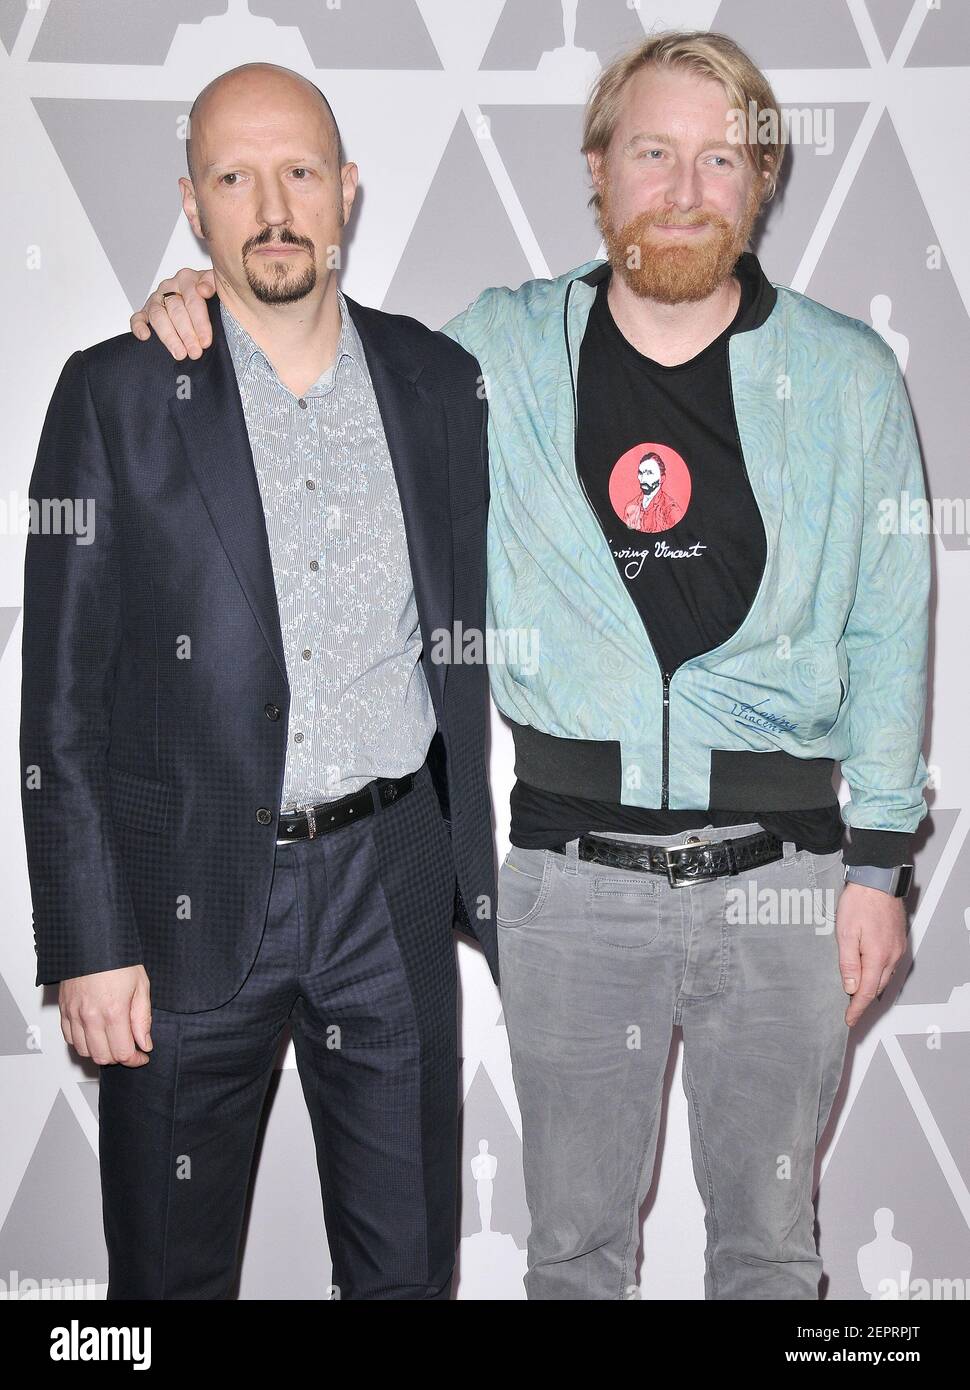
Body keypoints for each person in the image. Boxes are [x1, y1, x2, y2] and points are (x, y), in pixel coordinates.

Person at [130, 31, 930, 1301]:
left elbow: (893, 624)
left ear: (760, 181)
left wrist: (882, 863)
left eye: (719, 157)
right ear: (598, 172)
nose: (682, 187)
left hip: (787, 890)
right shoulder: (488, 353)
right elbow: (324, 360)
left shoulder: (846, 375)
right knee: (568, 1259)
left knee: (774, 1257)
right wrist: (204, 301)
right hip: (568, 886)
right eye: (652, 153)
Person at [20, 61, 495, 1301]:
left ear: (345, 193)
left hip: (390, 881)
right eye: (234, 176)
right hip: (180, 900)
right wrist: (86, 940)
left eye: (299, 172)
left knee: (405, 1278)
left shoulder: (442, 384)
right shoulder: (113, 392)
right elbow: (56, 703)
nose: (271, 204)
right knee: (165, 1287)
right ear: (194, 205)